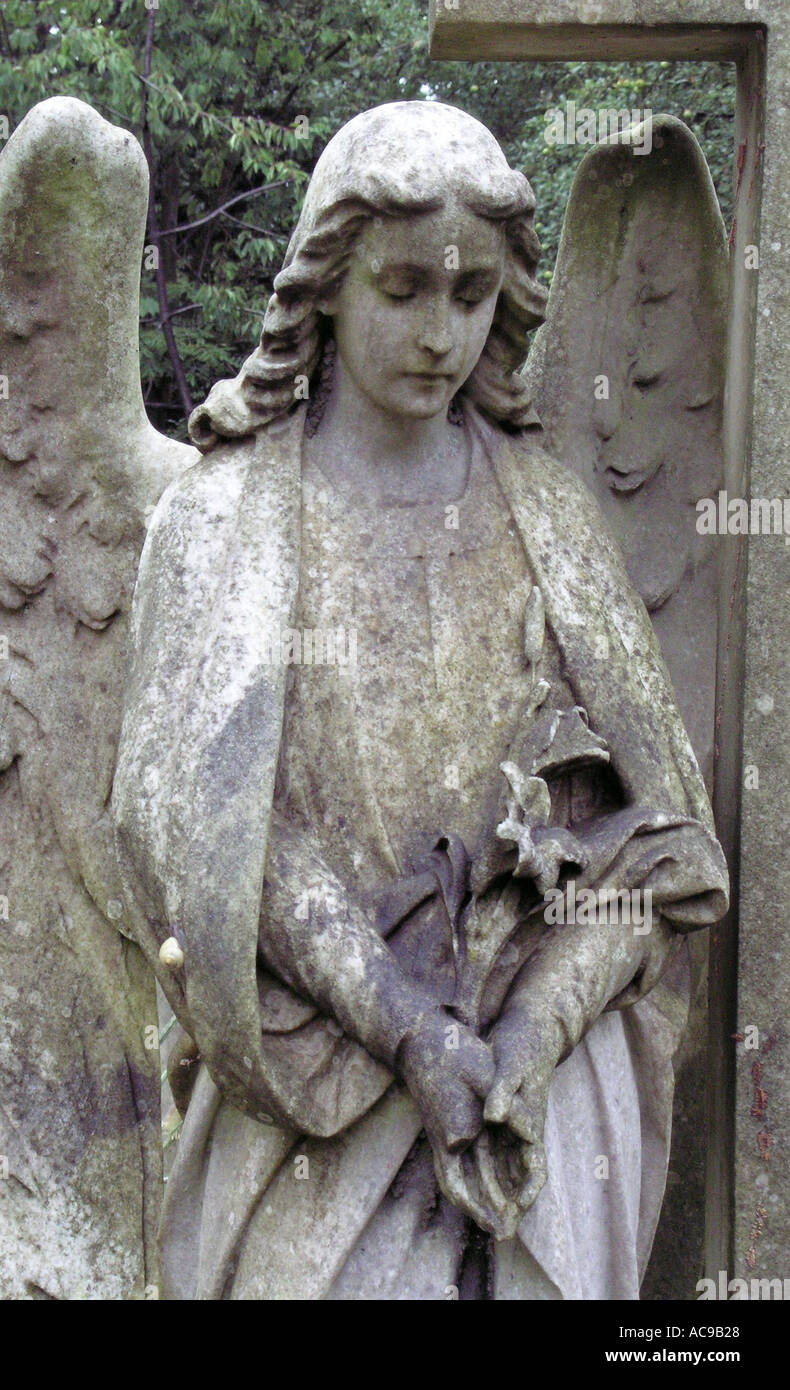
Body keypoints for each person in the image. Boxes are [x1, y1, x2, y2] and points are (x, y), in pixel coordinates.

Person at [112, 101, 728, 1299]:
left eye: (471, 295)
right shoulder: (220, 520)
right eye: (401, 288)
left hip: (544, 1099)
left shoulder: (547, 514)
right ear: (326, 284)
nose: (440, 333)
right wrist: (406, 1026)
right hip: (317, 1097)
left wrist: (527, 1040)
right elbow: (195, 837)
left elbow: (664, 847)